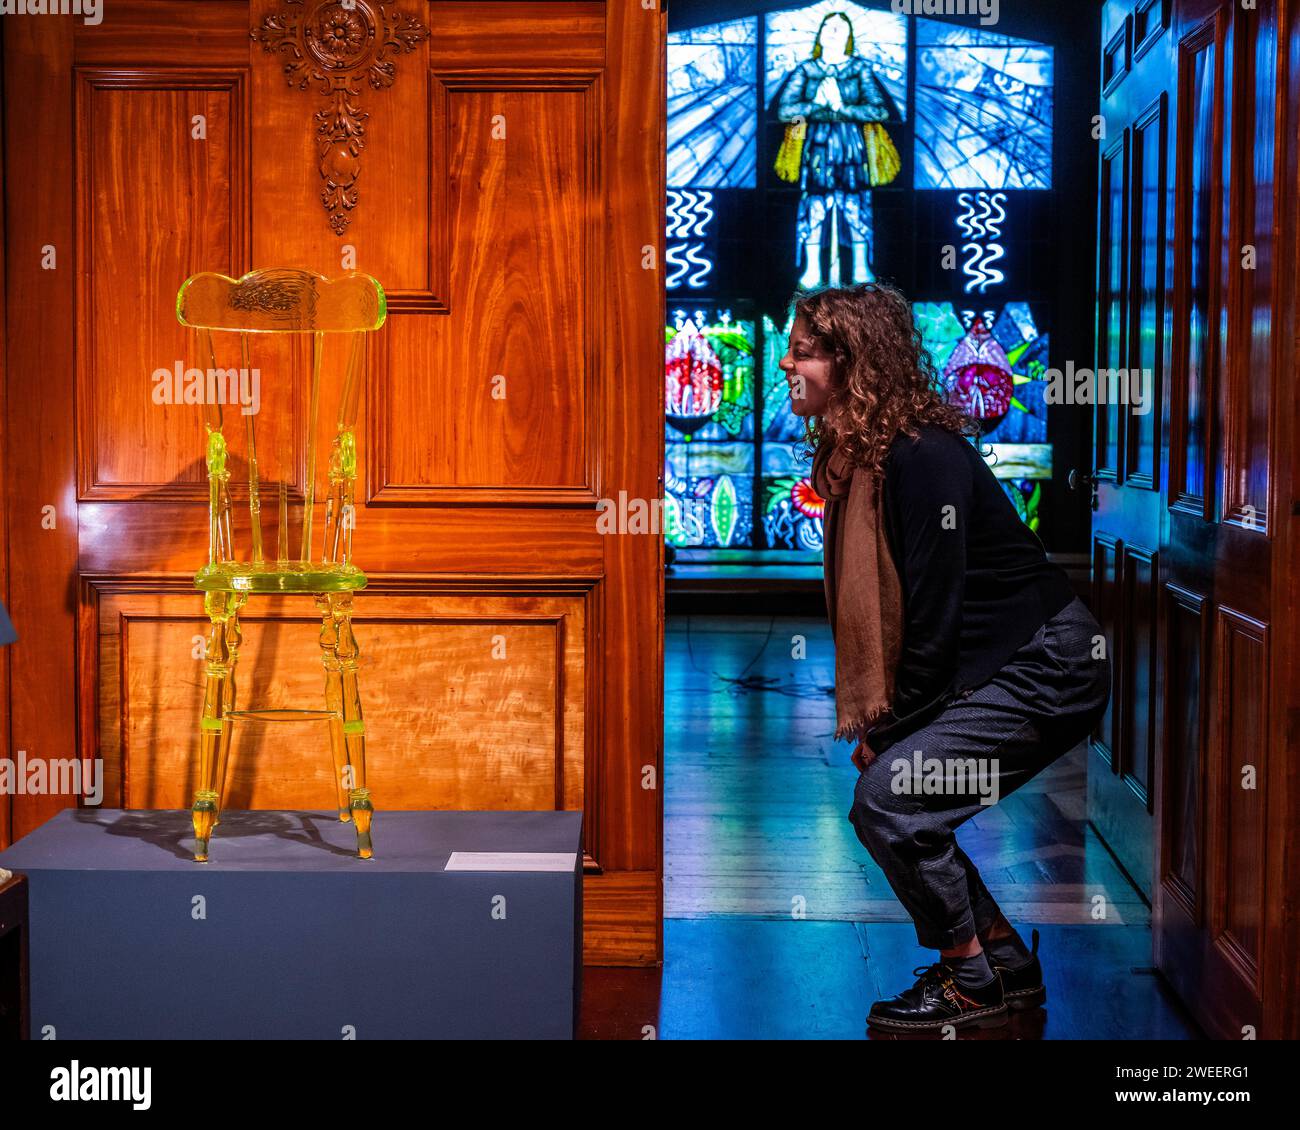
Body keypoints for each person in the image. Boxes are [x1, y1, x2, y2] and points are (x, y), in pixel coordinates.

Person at [779, 282, 1111, 1033]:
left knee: (892, 798)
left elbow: (934, 619)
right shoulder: (859, 459)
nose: (784, 364)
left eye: (801, 351)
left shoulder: (923, 458)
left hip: (1047, 663)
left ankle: (970, 983)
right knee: (908, 798)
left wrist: (893, 730)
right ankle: (1006, 963)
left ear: (849, 360)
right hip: (1001, 664)